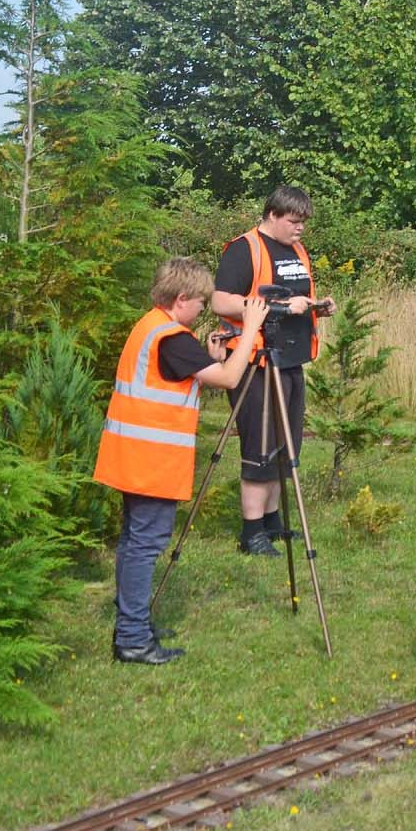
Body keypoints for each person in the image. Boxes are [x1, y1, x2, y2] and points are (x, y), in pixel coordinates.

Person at [95, 259, 269, 664]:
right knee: (144, 545)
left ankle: (131, 625)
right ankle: (133, 639)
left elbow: (177, 380)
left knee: (133, 542)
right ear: (181, 299)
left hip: (132, 455)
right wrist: (251, 331)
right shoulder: (172, 338)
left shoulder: (151, 326)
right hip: (151, 461)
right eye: (201, 303)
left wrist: (206, 357)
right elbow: (228, 378)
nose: (204, 309)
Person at [213, 186, 336, 556]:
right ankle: (251, 533)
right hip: (255, 363)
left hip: (291, 359)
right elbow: (221, 300)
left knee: (286, 445)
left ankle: (272, 522)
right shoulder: (244, 248)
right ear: (272, 215)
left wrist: (315, 307)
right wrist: (280, 305)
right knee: (259, 447)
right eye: (294, 222)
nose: (300, 230)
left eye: (303, 223)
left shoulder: (298, 250)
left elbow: (294, 298)